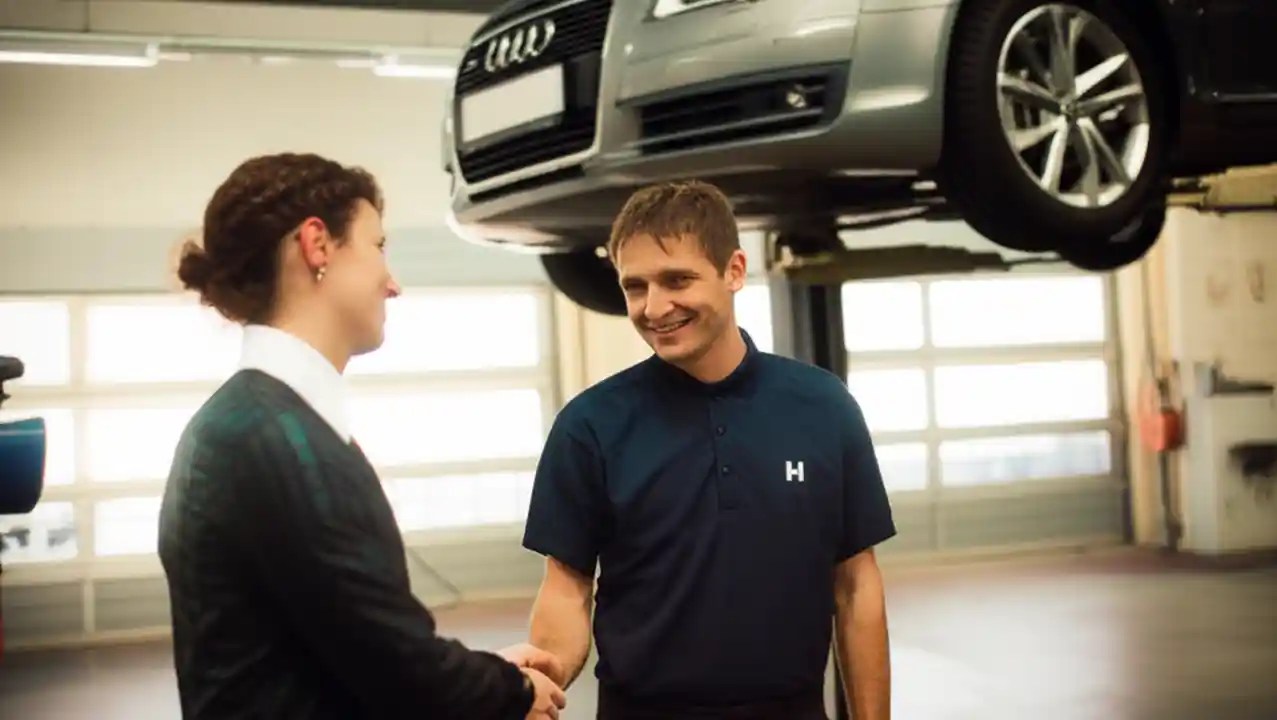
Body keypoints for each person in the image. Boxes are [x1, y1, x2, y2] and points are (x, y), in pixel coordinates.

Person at [158, 152, 567, 720]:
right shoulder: (282, 442)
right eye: (378, 247)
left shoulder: (236, 423)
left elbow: (350, 644)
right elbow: (398, 668)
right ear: (317, 245)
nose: (392, 283)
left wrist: (482, 671)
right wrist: (509, 690)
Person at [521, 180, 896, 719]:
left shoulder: (824, 407)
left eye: (677, 280)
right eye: (635, 286)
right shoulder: (589, 426)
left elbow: (856, 587)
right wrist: (542, 684)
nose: (654, 307)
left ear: (734, 271)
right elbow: (567, 588)